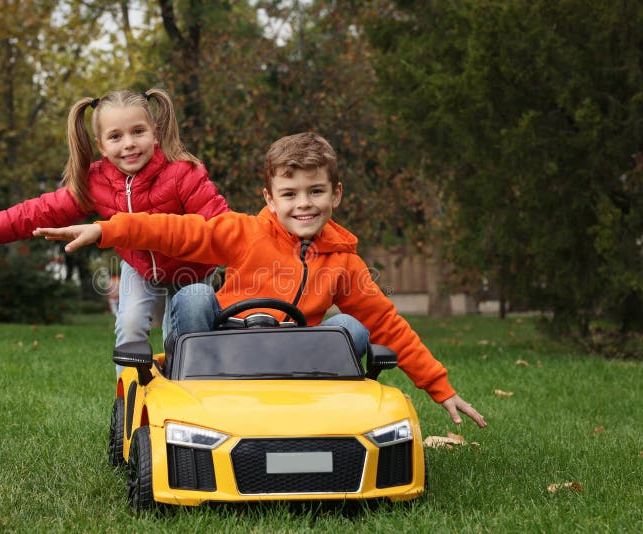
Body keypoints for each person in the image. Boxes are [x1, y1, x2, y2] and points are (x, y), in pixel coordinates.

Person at [33, 132, 487, 427]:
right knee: (193, 294)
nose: (303, 204)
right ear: (270, 198)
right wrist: (108, 229)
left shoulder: (346, 264)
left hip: (294, 364)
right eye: (289, 194)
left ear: (336, 195)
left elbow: (390, 326)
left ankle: (336, 423)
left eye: (316, 192)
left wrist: (440, 388)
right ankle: (188, 401)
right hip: (219, 355)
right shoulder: (244, 233)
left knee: (355, 329)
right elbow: (175, 229)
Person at [0, 89, 229, 375]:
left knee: (183, 330)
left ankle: (184, 388)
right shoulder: (96, 183)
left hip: (192, 266)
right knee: (131, 326)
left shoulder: (183, 173)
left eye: (138, 132)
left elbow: (224, 227)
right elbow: (34, 213)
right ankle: (128, 402)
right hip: (140, 268)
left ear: (155, 134)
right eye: (116, 136)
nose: (129, 144)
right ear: (101, 146)